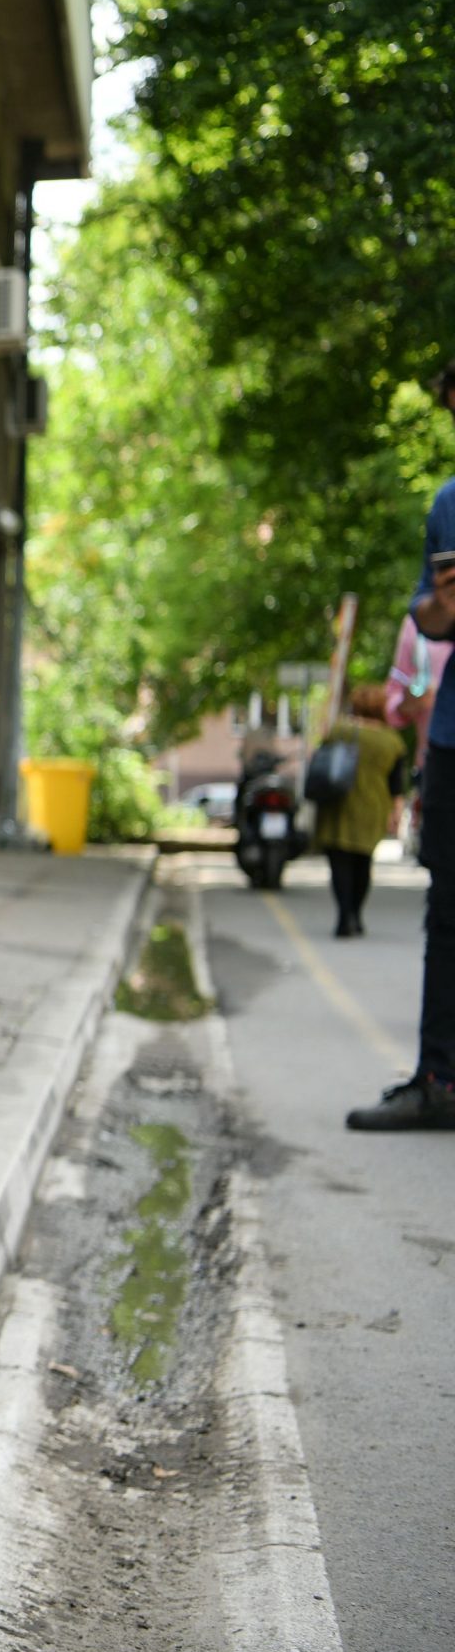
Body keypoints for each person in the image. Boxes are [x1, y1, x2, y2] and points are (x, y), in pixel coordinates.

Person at [352, 357, 455, 1128]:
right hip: (452, 735)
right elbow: (427, 612)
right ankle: (439, 1080)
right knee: (446, 909)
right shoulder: (448, 503)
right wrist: (439, 607)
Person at [312, 683, 408, 940]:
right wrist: (396, 815)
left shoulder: (339, 730)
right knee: (363, 862)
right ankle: (355, 913)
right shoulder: (392, 741)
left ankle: (344, 915)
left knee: (339, 862)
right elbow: (396, 785)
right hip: (373, 807)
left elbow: (321, 760)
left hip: (338, 804)